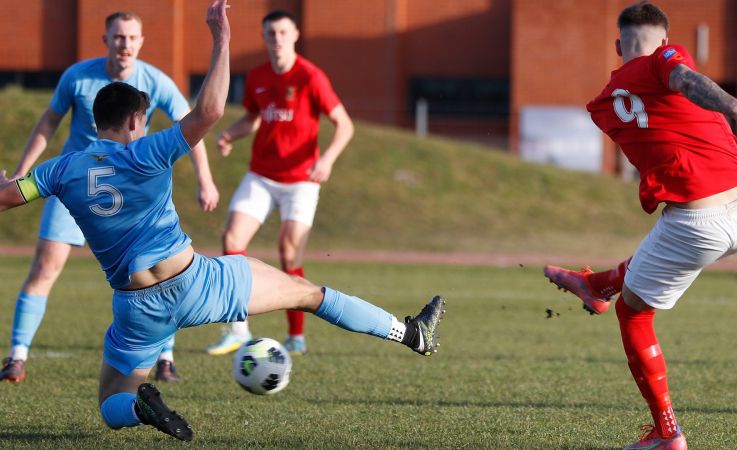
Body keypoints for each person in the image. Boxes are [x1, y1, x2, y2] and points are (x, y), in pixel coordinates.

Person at [0, 0, 443, 442]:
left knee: (109, 404)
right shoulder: (148, 152)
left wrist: (5, 182)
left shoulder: (59, 169)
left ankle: (139, 407)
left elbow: (7, 196)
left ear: (96, 121)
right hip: (198, 282)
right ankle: (409, 333)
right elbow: (209, 112)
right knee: (310, 294)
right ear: (135, 120)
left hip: (136, 308)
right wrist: (222, 38)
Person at [542, 3, 737, 449]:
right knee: (650, 263)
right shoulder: (667, 60)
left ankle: (667, 433)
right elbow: (686, 81)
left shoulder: (601, 106)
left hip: (697, 222)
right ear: (666, 42)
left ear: (618, 46)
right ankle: (595, 285)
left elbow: (666, 97)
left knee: (634, 314)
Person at [0, 10, 221, 384]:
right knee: (45, 268)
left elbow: (192, 126)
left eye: (132, 38)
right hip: (72, 188)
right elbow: (48, 123)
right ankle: (17, 356)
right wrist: (23, 168)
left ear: (141, 42)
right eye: (118, 37)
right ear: (106, 40)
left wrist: (206, 179)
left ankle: (165, 358)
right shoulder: (77, 76)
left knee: (158, 274)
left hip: (132, 196)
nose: (125, 45)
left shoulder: (156, 81)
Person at [205, 9, 354, 357]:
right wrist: (229, 134)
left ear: (295, 35)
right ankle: (238, 331)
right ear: (264, 37)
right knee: (232, 240)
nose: (277, 39)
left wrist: (327, 159)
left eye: (283, 32)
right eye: (271, 33)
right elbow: (253, 118)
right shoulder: (257, 75)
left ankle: (296, 335)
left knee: (288, 253)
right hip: (261, 175)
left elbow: (344, 124)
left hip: (302, 180)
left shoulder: (311, 76)